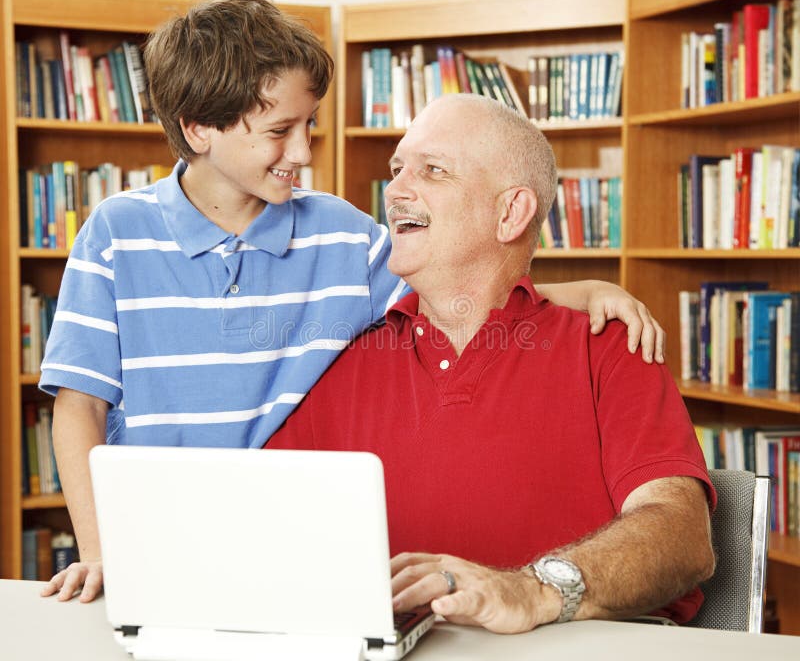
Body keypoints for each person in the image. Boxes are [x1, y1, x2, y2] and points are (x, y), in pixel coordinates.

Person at [39, 0, 663, 604]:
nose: (304, 152)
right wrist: (98, 550)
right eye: (280, 130)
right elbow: (80, 407)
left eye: (309, 125)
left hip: (278, 552)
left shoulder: (339, 234)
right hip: (154, 543)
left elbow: (451, 292)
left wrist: (581, 291)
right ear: (198, 128)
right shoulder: (116, 233)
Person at [267, 93, 716, 632]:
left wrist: (532, 590)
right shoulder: (353, 361)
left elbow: (682, 537)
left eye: (434, 170)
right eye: (397, 168)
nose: (396, 190)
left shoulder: (609, 346)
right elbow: (261, 520)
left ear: (510, 213)